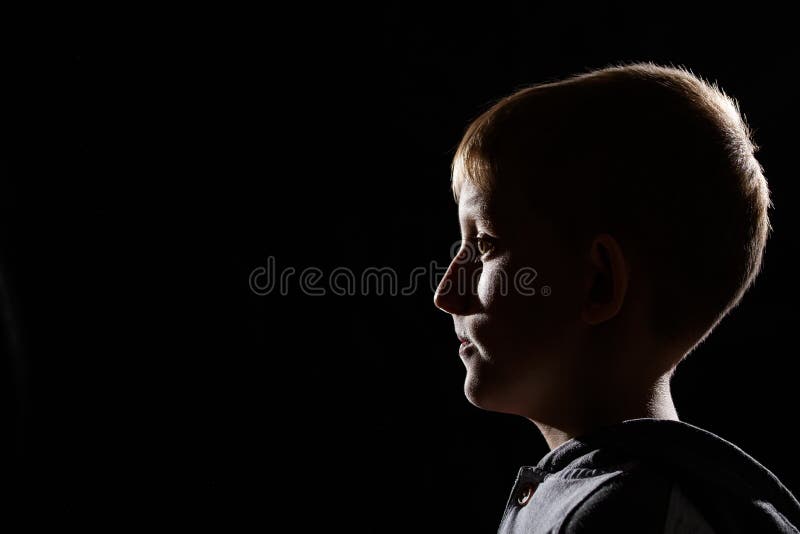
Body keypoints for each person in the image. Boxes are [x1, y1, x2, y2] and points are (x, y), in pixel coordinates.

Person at [433, 62, 800, 533]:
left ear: (599, 283)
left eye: (484, 245)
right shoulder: (617, 497)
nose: (446, 294)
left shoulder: (624, 515)